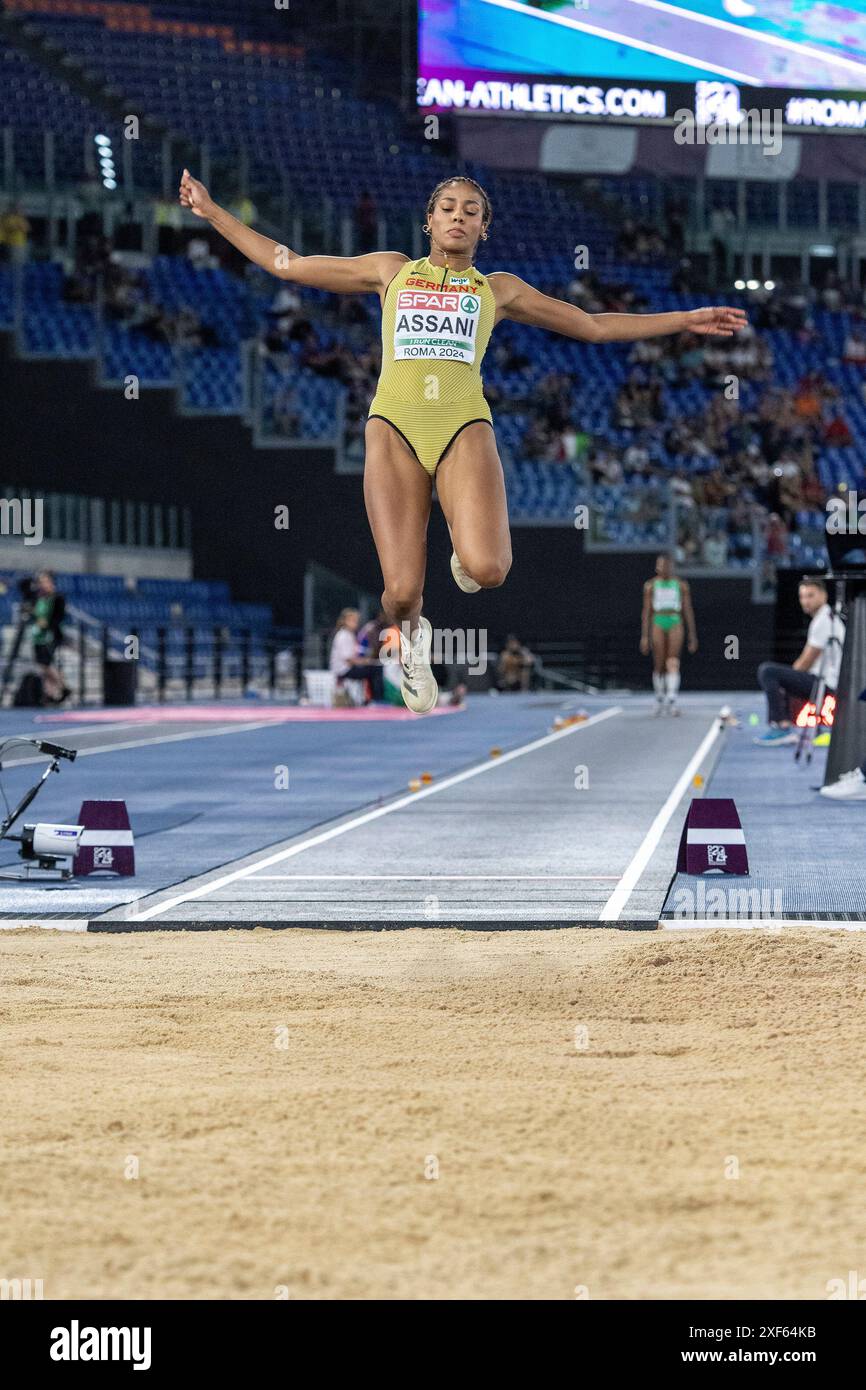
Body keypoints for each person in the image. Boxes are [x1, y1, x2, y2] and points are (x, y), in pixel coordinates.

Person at [179, 167, 745, 713]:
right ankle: (414, 640)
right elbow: (290, 264)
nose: (458, 217)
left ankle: (462, 551)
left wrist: (685, 318)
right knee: (399, 595)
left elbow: (593, 326)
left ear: (483, 229)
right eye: (448, 208)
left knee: (488, 568)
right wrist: (212, 212)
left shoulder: (498, 290)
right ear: (429, 221)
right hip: (394, 425)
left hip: (461, 423)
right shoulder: (389, 271)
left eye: (470, 212)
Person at [755, 576, 845, 746]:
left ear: (824, 596)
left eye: (810, 595)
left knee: (768, 671)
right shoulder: (826, 617)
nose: (805, 601)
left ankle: (782, 727)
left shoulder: (823, 621)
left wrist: (785, 681)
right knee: (781, 676)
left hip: (826, 686)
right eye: (802, 596)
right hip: (826, 683)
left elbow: (805, 662)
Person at [640, 555, 697, 716]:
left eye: (667, 565)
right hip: (659, 619)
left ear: (671, 567)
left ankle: (671, 699)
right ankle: (659, 698)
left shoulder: (680, 585)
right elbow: (646, 612)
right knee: (659, 663)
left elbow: (687, 609)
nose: (664, 568)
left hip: (674, 619)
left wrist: (692, 635)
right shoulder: (651, 585)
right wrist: (644, 636)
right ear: (657, 567)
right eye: (660, 565)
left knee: (672, 661)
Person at [29, 570, 69, 704]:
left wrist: (47, 625)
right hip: (38, 635)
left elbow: (59, 617)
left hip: (51, 635)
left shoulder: (58, 598)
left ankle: (63, 688)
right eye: (40, 582)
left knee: (45, 664)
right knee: (43, 665)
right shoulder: (37, 597)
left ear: (51, 583)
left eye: (45, 581)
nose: (42, 584)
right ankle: (49, 694)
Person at [328, 607, 383, 702]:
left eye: (356, 621)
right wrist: (366, 662)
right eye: (353, 621)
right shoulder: (343, 635)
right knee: (375, 670)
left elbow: (355, 654)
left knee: (373, 667)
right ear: (345, 621)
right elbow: (349, 660)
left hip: (348, 667)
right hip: (343, 670)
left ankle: (370, 699)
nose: (355, 623)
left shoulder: (350, 634)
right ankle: (376, 700)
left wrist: (367, 660)